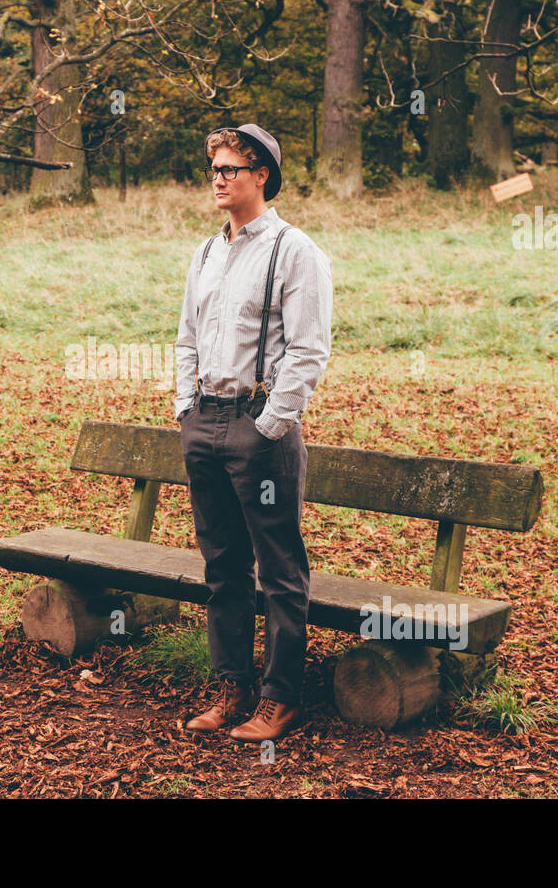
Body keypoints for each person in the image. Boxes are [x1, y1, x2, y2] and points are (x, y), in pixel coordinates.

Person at [174, 124, 332, 742]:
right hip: (203, 421)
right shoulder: (206, 253)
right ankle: (231, 687)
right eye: (212, 168)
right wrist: (187, 406)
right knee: (223, 566)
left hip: (257, 426)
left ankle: (281, 698)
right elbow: (187, 336)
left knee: (280, 568)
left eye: (230, 169)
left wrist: (269, 423)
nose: (218, 179)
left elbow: (309, 349)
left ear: (261, 174)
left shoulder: (295, 251)